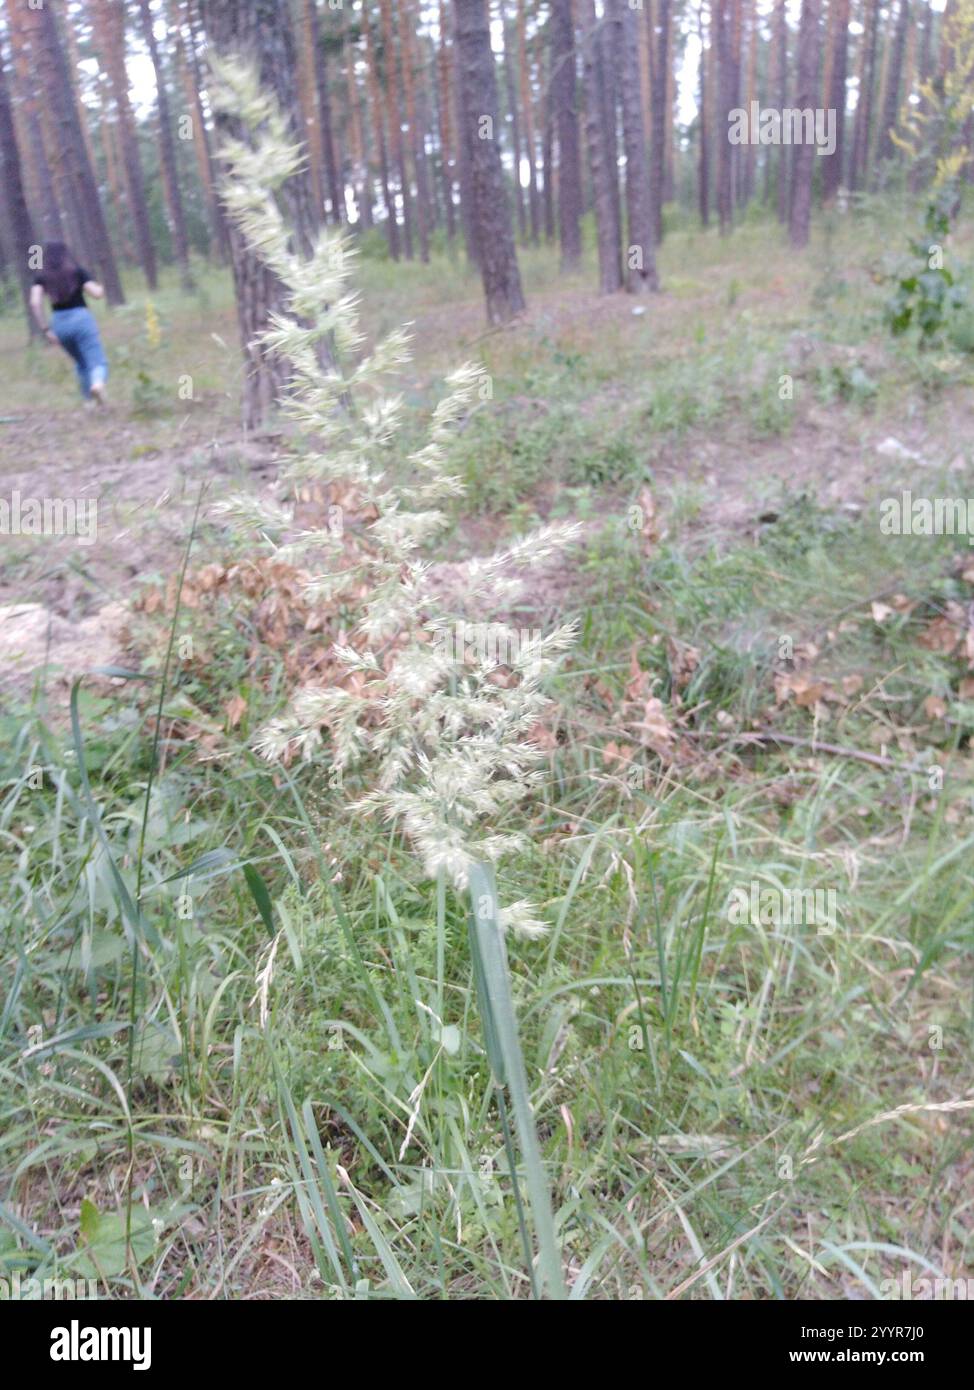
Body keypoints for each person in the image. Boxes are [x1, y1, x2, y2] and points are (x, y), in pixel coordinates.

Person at [29, 242, 109, 405]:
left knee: (81, 364)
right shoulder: (77, 272)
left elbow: (35, 303)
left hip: (59, 323)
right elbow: (97, 294)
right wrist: (101, 285)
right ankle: (98, 384)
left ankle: (89, 403)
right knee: (97, 362)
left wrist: (45, 329)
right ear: (66, 254)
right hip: (81, 318)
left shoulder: (41, 277)